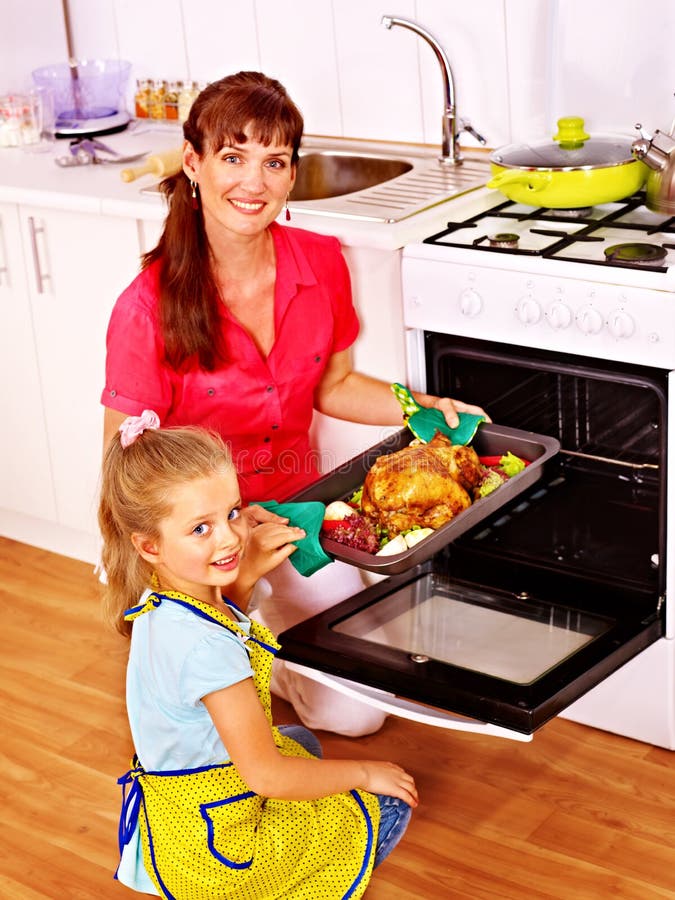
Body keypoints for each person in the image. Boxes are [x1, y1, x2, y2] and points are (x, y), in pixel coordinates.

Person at [101, 70, 488, 737]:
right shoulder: (146, 308)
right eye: (233, 157)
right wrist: (216, 532)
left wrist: (416, 406)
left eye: (273, 161)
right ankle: (232, 638)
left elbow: (334, 385)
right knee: (202, 717)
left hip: (294, 514)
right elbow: (128, 470)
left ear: (290, 176)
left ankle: (272, 657)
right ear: (193, 164)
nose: (253, 182)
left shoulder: (320, 262)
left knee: (358, 715)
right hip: (194, 542)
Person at [99, 410, 418, 899]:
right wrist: (365, 772)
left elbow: (222, 633)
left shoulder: (158, 605)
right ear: (149, 546)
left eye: (230, 513)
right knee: (388, 805)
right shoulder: (205, 649)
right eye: (199, 529)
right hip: (221, 852)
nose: (229, 537)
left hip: (175, 822)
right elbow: (266, 775)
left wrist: (243, 582)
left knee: (300, 742)